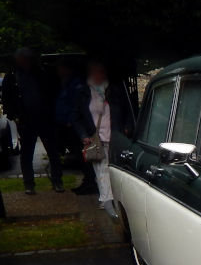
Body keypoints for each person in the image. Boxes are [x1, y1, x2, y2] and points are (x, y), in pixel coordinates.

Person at [72, 60, 134, 216]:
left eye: (100, 71)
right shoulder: (83, 92)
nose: (98, 75)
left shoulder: (114, 89)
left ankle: (114, 198)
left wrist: (127, 127)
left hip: (116, 137)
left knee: (115, 169)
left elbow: (127, 110)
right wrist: (84, 135)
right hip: (96, 139)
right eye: (94, 72)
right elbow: (77, 117)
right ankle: (107, 199)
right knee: (101, 170)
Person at [0, 47, 64, 194]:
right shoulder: (13, 76)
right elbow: (7, 97)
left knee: (52, 151)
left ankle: (57, 181)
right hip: (26, 119)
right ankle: (29, 184)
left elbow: (53, 93)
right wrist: (13, 115)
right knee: (27, 153)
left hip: (44, 118)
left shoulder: (42, 73)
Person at [55, 58, 97, 194]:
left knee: (84, 156)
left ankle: (90, 182)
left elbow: (75, 105)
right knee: (81, 156)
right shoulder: (67, 83)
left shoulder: (76, 85)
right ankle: (88, 181)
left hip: (74, 125)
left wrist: (70, 120)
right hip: (69, 123)